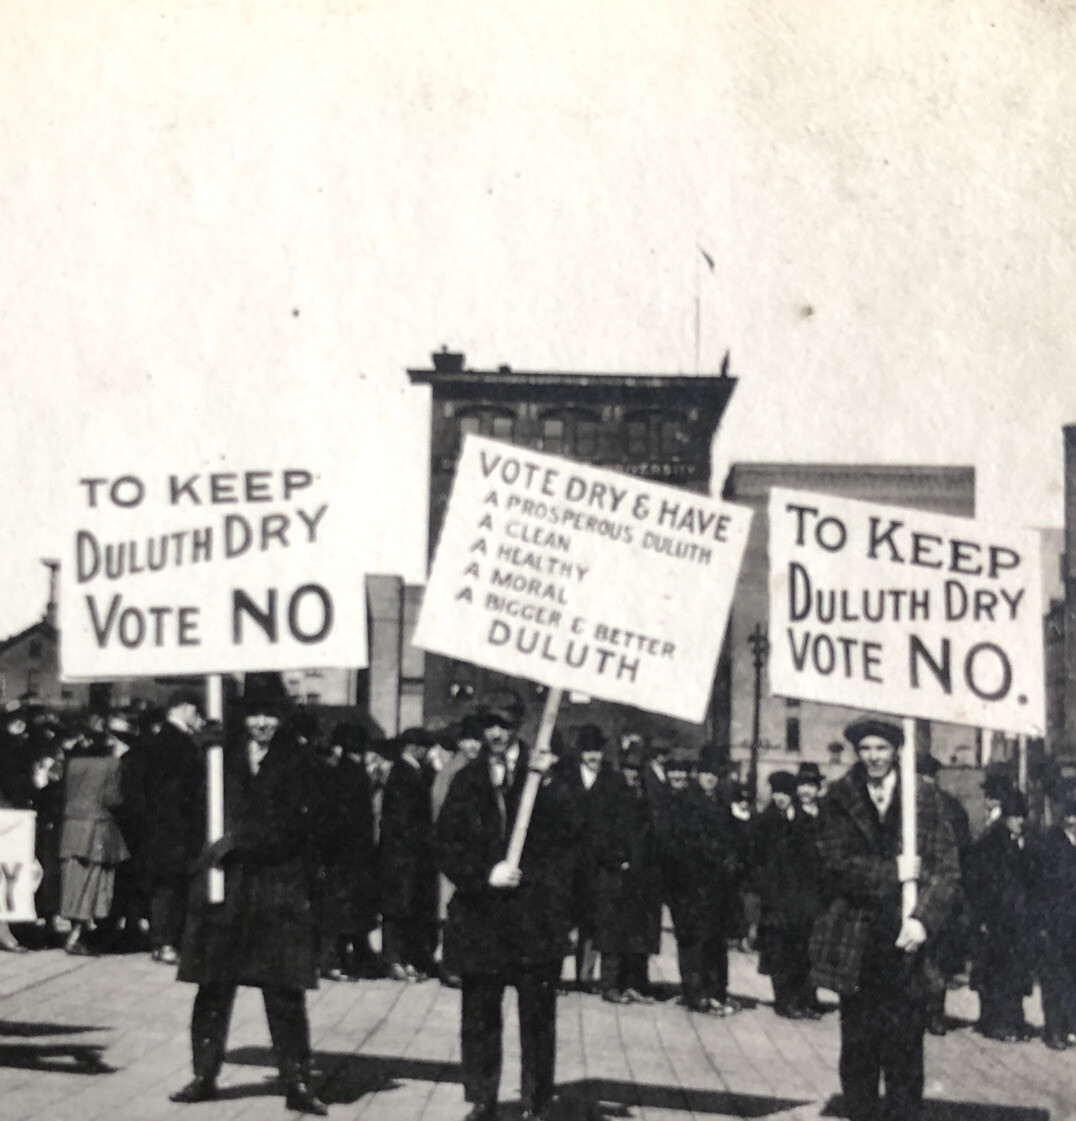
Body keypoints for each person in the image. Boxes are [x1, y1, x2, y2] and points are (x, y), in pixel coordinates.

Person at [171, 674, 327, 1115]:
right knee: (214, 986)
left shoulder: (301, 759)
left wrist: (240, 839)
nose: (262, 723)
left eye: (271, 715)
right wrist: (201, 751)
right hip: (228, 888)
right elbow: (188, 800)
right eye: (255, 714)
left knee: (283, 991)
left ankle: (296, 1081)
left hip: (277, 888)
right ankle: (204, 1075)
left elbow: (300, 822)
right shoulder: (221, 754)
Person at [810, 718, 960, 1121]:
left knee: (905, 1048)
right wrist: (893, 871)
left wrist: (923, 920)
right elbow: (834, 865)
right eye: (866, 749)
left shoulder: (924, 798)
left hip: (907, 942)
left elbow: (947, 869)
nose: (873, 757)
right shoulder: (839, 798)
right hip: (858, 941)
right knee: (858, 1045)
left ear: (896, 751)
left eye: (881, 748)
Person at [436, 712, 580, 1121]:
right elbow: (446, 844)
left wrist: (550, 783)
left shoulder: (546, 775)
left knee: (537, 1015)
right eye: (488, 727)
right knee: (480, 1013)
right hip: (483, 917)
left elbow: (574, 834)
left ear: (518, 726)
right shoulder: (467, 780)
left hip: (535, 919)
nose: (496, 734)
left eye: (503, 725)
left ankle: (536, 1101)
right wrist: (485, 875)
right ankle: (483, 1099)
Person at [660, 753, 742, 1014]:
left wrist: (730, 859)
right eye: (706, 774)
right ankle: (695, 994)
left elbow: (732, 836)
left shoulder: (721, 801)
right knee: (693, 940)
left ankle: (717, 991)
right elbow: (683, 842)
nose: (710, 779)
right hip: (690, 883)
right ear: (698, 774)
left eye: (715, 775)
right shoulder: (686, 801)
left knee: (715, 939)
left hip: (716, 885)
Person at [965, 786, 1038, 1041]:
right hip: (995, 920)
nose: (1022, 822)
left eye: (1023, 816)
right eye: (1017, 816)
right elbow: (979, 882)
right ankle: (994, 1023)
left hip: (1014, 920)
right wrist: (982, 918)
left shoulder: (1016, 841)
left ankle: (1013, 1021)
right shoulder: (991, 842)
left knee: (1013, 973)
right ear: (1006, 816)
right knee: (996, 974)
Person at [139, 690, 206, 964]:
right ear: (186, 708)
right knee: (170, 885)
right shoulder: (177, 741)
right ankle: (165, 942)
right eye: (196, 712)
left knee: (169, 884)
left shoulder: (164, 738)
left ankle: (165, 940)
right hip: (174, 825)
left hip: (165, 825)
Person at [591, 742, 661, 1004]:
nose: (634, 773)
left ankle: (634, 984)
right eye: (630, 768)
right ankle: (610, 985)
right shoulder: (610, 790)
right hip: (615, 873)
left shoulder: (644, 793)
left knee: (636, 931)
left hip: (638, 874)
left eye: (638, 768)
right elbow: (600, 831)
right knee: (612, 931)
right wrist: (615, 861)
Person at [753, 767, 824, 1019]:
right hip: (777, 897)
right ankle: (784, 1001)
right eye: (776, 792)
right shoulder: (766, 820)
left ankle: (803, 999)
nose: (779, 797)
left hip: (802, 896)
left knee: (800, 950)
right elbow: (757, 859)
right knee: (779, 951)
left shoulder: (803, 819)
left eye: (784, 792)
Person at [58, 723, 130, 956]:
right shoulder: (112, 765)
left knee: (73, 880)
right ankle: (78, 935)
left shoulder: (73, 763)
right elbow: (113, 798)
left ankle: (74, 931)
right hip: (97, 827)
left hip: (71, 826)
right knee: (93, 882)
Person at [312, 722, 377, 981]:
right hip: (353, 854)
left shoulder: (336, 773)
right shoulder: (357, 775)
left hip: (339, 852)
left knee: (339, 907)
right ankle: (333, 961)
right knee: (344, 909)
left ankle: (337, 958)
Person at [916, 754, 972, 1035]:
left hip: (918, 888)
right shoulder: (953, 806)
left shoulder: (908, 802)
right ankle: (935, 1015)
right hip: (944, 891)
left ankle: (921, 1014)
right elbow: (964, 853)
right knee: (937, 957)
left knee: (920, 956)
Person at [378, 727, 438, 981]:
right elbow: (403, 819)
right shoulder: (404, 773)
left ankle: (405, 960)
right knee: (398, 910)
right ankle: (394, 961)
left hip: (405, 855)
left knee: (407, 908)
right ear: (415, 747)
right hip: (403, 855)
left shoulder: (409, 771)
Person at [564, 723, 612, 992]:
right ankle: (556, 975)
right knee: (562, 919)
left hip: (597, 864)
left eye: (598, 751)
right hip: (568, 861)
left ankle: (585, 976)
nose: (594, 756)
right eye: (589, 750)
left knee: (592, 922)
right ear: (581, 752)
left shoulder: (611, 780)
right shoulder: (566, 776)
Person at [1037, 782, 1076, 1050]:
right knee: (1054, 979)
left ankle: (1069, 1027)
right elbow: (1045, 886)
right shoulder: (1053, 843)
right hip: (1056, 924)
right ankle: (1054, 1031)